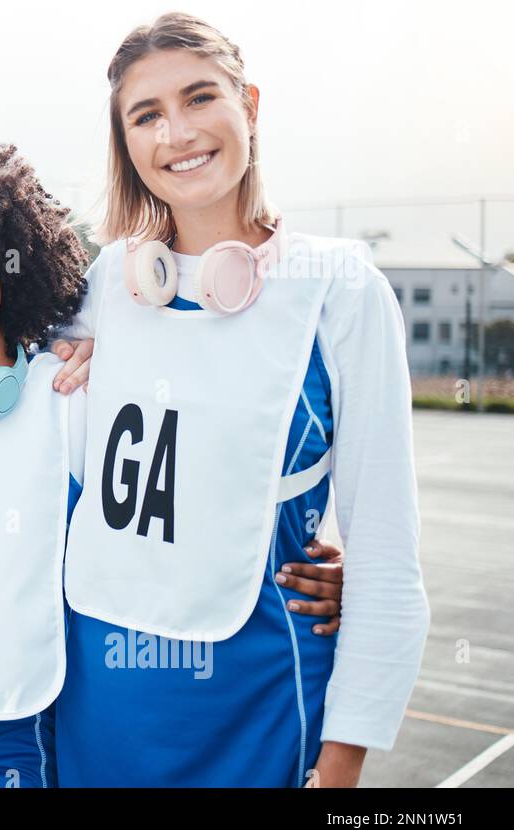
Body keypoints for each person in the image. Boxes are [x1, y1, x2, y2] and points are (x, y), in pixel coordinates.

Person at [0, 112, 344, 787]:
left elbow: (193, 488)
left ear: (3, 246)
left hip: (18, 741)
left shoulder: (70, 394)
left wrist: (305, 565)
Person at [49, 13, 429, 787]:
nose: (177, 132)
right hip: (95, 702)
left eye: (199, 99)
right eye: (145, 115)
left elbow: (389, 552)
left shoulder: (341, 289)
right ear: (125, 143)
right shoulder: (102, 285)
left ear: (249, 105)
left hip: (261, 705)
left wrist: (343, 760)